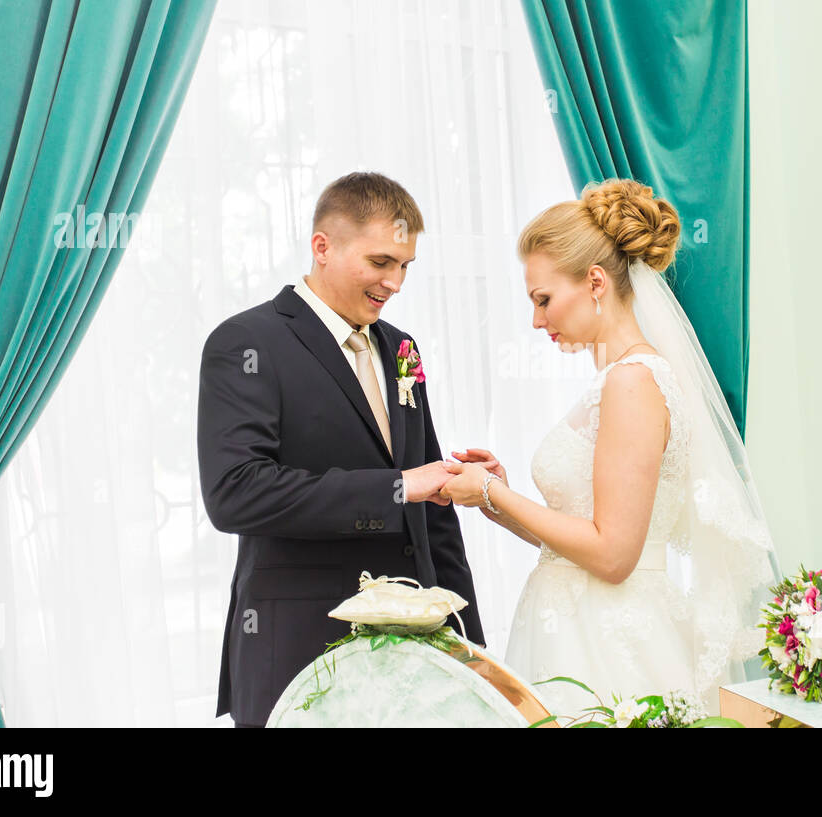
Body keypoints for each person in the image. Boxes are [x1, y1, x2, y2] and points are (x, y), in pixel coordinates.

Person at [441, 179, 780, 717]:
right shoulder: (619, 381)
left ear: (595, 281)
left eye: (543, 299)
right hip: (576, 625)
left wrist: (489, 492)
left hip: (607, 641)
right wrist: (495, 497)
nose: (536, 320)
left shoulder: (632, 383)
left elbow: (614, 556)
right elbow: (580, 540)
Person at [197, 172, 485, 727]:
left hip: (416, 663)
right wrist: (397, 487)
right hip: (299, 651)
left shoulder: (403, 347)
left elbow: (433, 518)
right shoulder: (246, 343)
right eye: (381, 262)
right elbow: (235, 494)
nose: (396, 282)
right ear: (322, 248)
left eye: (405, 266)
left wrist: (471, 647)